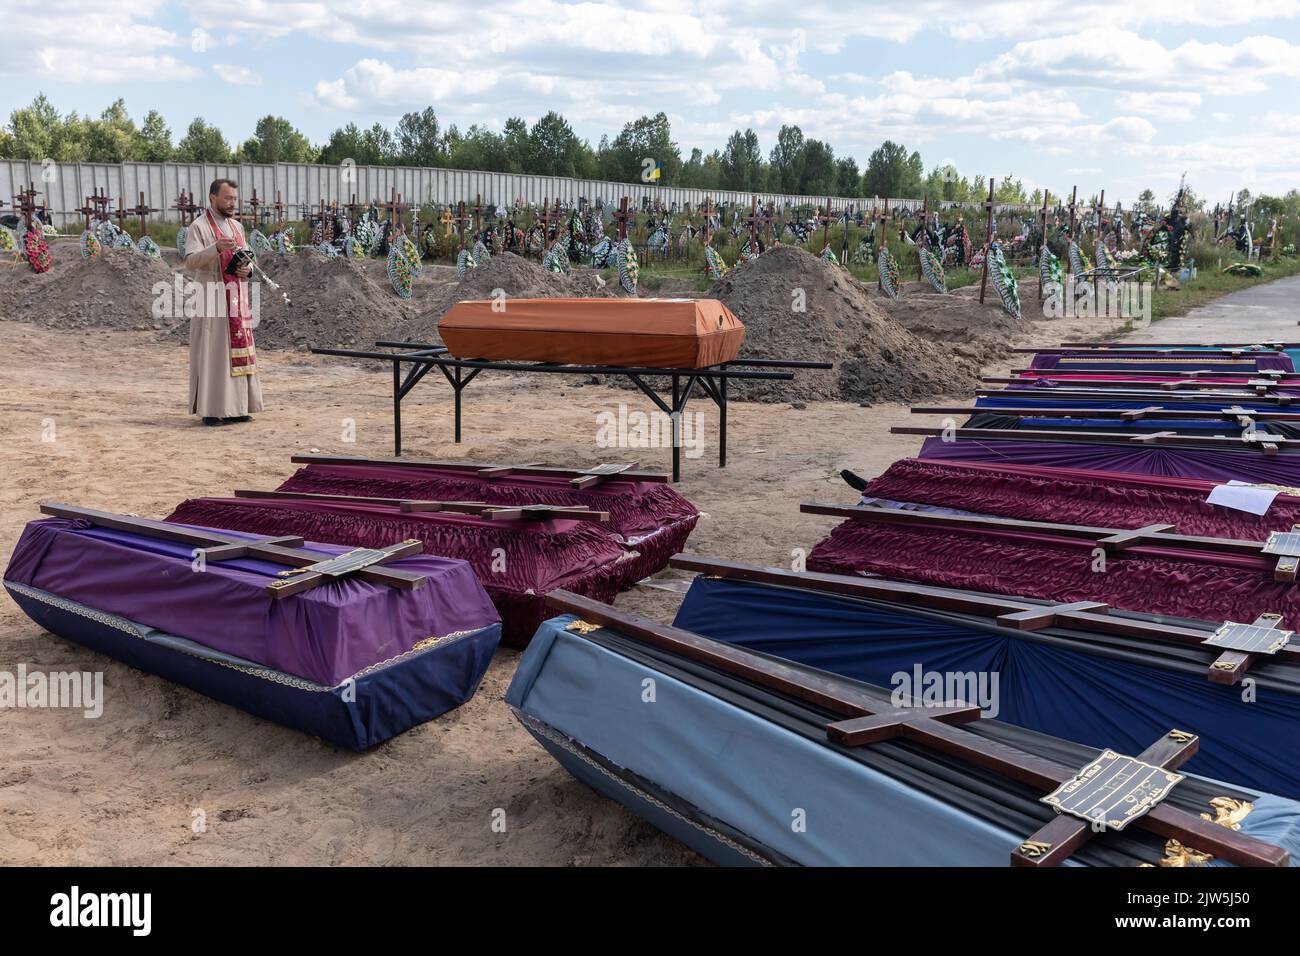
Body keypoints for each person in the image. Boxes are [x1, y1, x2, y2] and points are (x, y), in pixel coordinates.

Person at [182, 178, 264, 426]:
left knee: (236, 353)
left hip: (236, 297)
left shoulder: (237, 227)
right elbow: (190, 261)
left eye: (234, 199)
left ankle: (239, 407)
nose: (231, 203)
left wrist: (247, 270)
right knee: (214, 353)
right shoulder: (198, 227)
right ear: (213, 198)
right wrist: (215, 248)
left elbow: (249, 258)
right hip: (212, 297)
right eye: (227, 198)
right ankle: (212, 409)